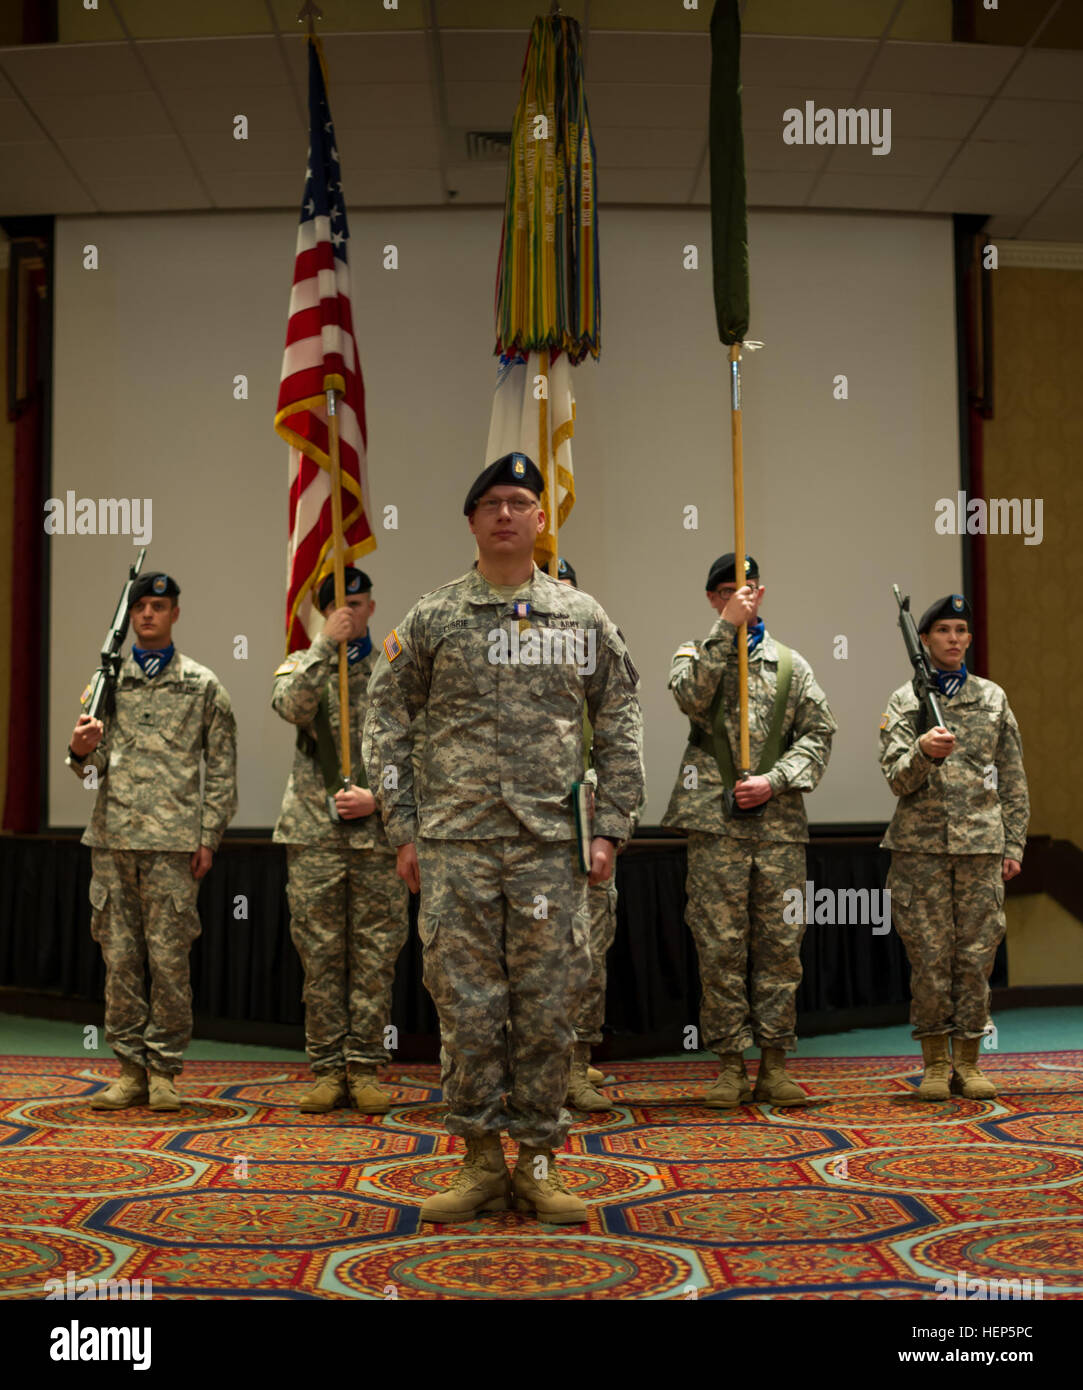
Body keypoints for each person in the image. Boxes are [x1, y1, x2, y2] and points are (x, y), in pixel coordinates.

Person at [363, 453, 644, 1223]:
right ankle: (481, 1162)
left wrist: (610, 828)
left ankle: (542, 1162)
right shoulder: (432, 618)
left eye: (521, 501)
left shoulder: (580, 617)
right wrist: (403, 828)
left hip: (552, 846)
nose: (506, 514)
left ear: (540, 519)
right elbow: (383, 722)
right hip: (455, 845)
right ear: (471, 521)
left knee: (550, 1004)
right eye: (491, 503)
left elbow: (618, 720)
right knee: (466, 1006)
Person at [662, 554, 836, 1108]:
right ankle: (730, 1065)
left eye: (746, 590)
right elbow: (690, 696)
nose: (738, 597)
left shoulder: (792, 666)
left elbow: (819, 735)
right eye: (725, 591)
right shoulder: (695, 654)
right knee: (720, 948)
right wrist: (725, 629)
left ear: (761, 594)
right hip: (714, 827)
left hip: (778, 829)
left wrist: (775, 779)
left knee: (781, 949)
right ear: (714, 599)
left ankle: (776, 1064)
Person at [66, 571, 237, 1111]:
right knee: (120, 961)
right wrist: (78, 751)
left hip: (173, 846)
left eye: (158, 606)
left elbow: (224, 771)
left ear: (175, 614)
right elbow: (90, 773)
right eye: (139, 606)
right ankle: (128, 1071)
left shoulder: (203, 685)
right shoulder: (105, 683)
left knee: (168, 961)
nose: (147, 615)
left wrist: (208, 835)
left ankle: (163, 1070)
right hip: (114, 842)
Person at [878, 593, 1029, 1101]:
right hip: (919, 852)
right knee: (929, 958)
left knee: (976, 956)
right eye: (943, 630)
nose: (954, 639)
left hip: (981, 849)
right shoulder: (906, 702)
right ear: (924, 640)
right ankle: (936, 1063)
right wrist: (923, 752)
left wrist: (1015, 844)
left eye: (961, 631)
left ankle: (969, 1060)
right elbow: (896, 779)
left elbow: (1012, 776)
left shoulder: (992, 698)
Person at [272, 567, 408, 1115]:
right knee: (321, 955)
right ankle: (327, 1067)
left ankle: (367, 1067)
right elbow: (289, 707)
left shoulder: (395, 670)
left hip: (378, 835)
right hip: (314, 833)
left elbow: (420, 747)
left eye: (356, 603)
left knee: (376, 956)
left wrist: (380, 799)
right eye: (337, 605)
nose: (349, 611)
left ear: (373, 606)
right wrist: (326, 644)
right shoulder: (304, 665)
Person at [555, 556, 643, 1111]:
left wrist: (609, 825)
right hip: (523, 832)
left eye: (565, 589)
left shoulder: (599, 655)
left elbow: (622, 745)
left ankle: (576, 1066)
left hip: (586, 824)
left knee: (587, 951)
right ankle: (531, 1064)